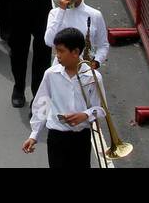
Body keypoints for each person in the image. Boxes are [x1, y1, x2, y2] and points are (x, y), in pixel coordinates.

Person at [22, 26, 108, 169]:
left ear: (75, 52)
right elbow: (42, 105)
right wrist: (34, 135)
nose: (57, 55)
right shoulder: (51, 74)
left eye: (61, 51)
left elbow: (101, 109)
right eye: (56, 51)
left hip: (81, 137)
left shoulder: (93, 77)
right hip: (56, 137)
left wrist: (84, 115)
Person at [45, 0, 109, 68]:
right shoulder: (55, 14)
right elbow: (49, 41)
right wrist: (61, 11)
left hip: (86, 70)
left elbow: (103, 45)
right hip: (61, 69)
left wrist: (96, 62)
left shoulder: (95, 14)